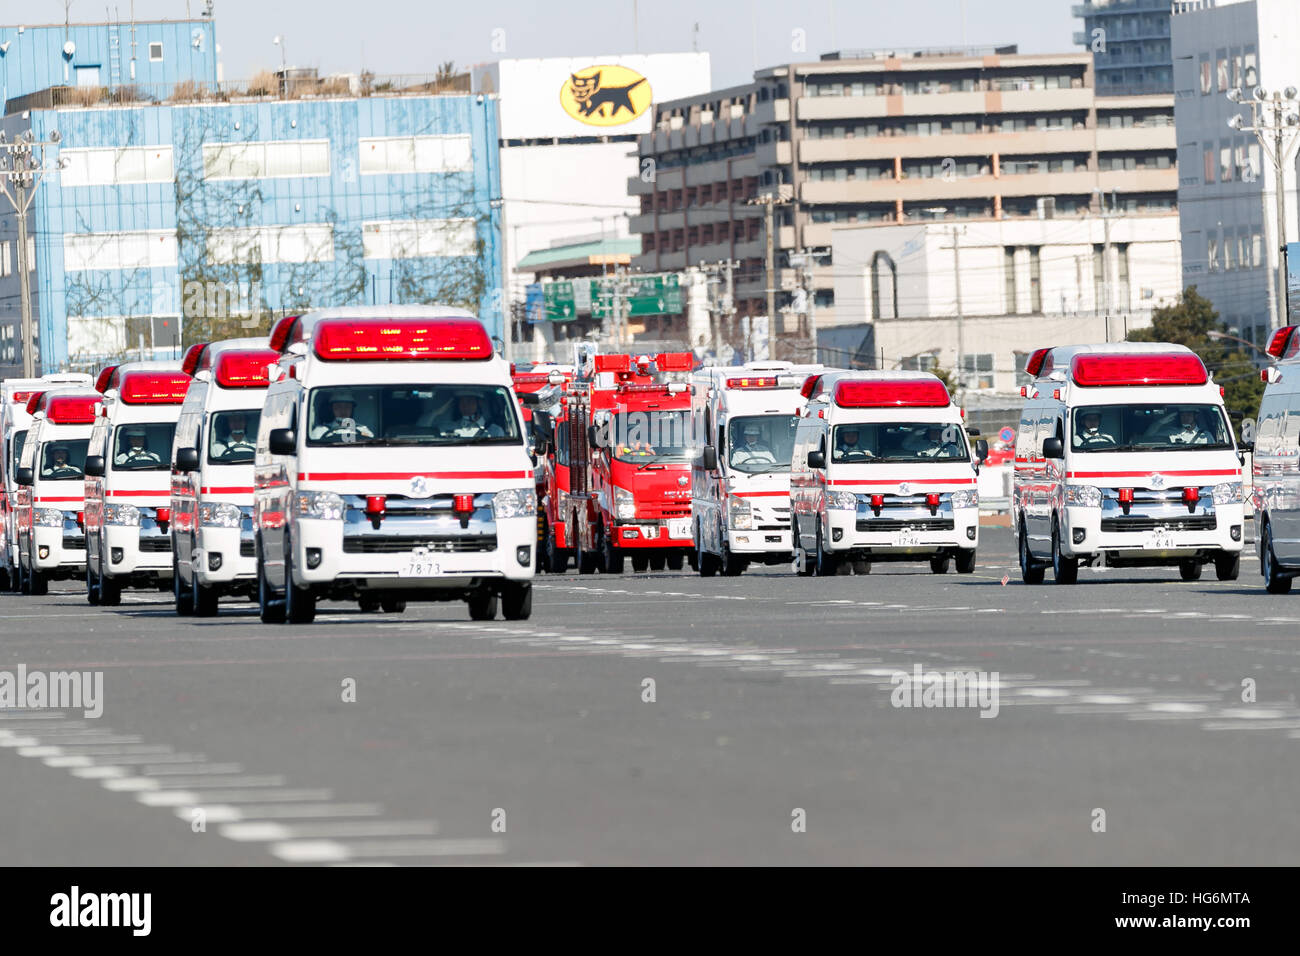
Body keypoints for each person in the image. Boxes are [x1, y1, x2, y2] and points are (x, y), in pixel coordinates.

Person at [310, 391, 374, 442]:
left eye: (347, 407)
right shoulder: (320, 431)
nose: (343, 411)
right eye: (338, 407)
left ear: (352, 409)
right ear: (331, 409)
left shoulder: (362, 430)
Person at [439, 391, 504, 439]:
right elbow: (429, 430)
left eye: (469, 401)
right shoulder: (449, 427)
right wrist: (435, 413)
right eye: (462, 401)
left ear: (480, 403)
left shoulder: (495, 431)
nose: (465, 405)